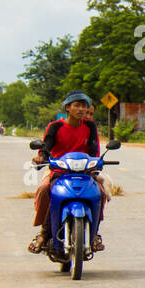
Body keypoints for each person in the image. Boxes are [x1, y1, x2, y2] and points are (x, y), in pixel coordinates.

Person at [28, 91, 109, 254]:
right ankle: (44, 233)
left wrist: (97, 164)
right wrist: (40, 158)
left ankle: (94, 234)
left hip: (86, 172)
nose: (81, 109)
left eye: (84, 106)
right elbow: (46, 148)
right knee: (44, 190)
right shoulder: (55, 126)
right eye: (77, 105)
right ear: (68, 107)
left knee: (100, 193)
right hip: (58, 171)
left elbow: (94, 150)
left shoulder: (90, 126)